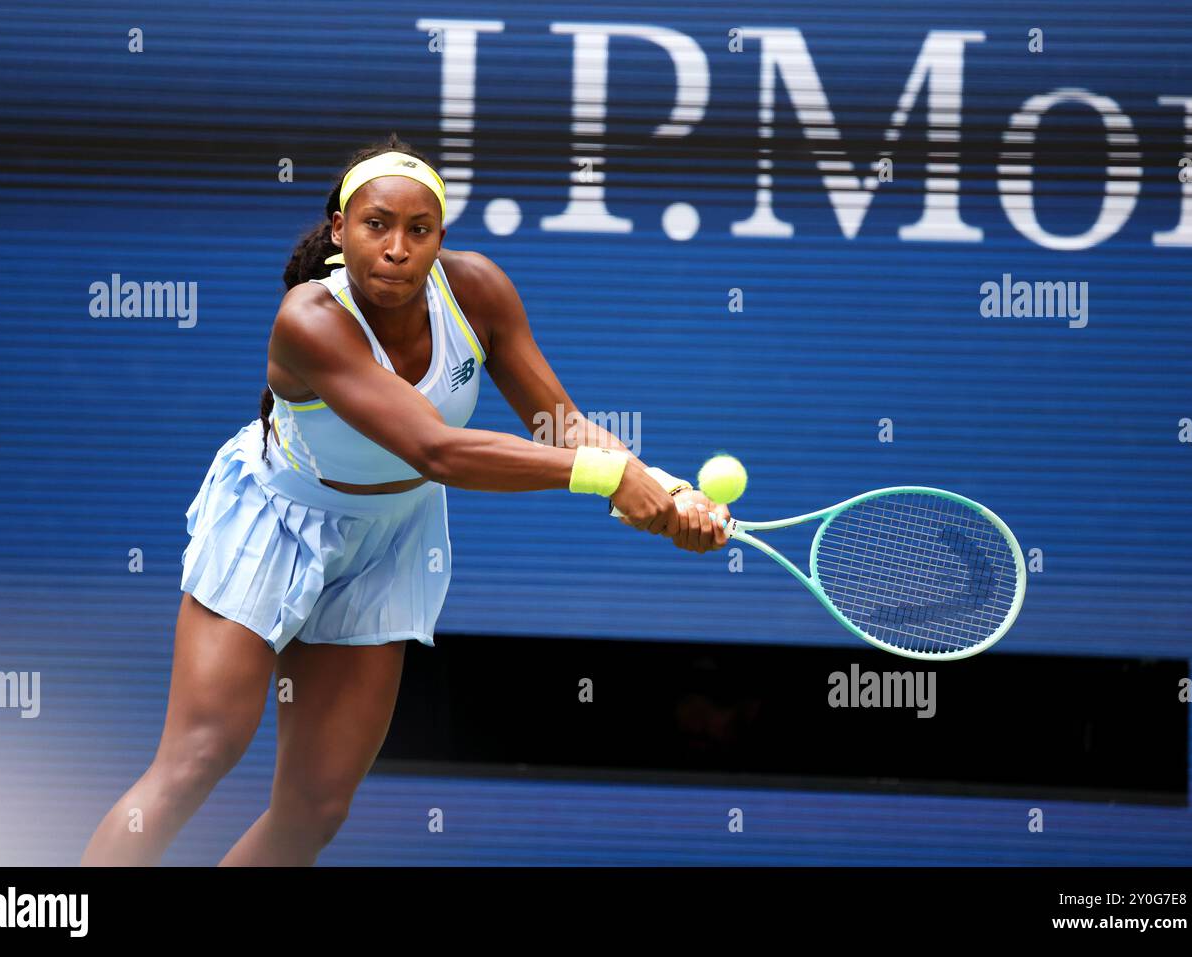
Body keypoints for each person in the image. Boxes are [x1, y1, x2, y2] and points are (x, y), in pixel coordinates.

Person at [81, 133, 730, 866]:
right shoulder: (309, 319)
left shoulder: (476, 290)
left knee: (315, 809)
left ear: (440, 238)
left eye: (418, 230)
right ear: (339, 230)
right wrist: (609, 478)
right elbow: (436, 449)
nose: (396, 247)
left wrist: (663, 486)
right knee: (199, 756)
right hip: (275, 522)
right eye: (376, 224)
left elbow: (561, 424)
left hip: (390, 538)